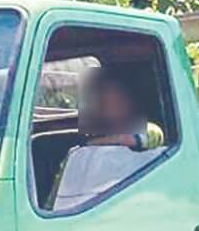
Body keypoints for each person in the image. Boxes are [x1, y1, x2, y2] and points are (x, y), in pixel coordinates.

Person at [48, 67, 165, 210]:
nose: (109, 108)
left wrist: (100, 143)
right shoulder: (81, 146)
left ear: (130, 104)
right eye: (103, 102)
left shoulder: (143, 130)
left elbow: (152, 135)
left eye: (116, 102)